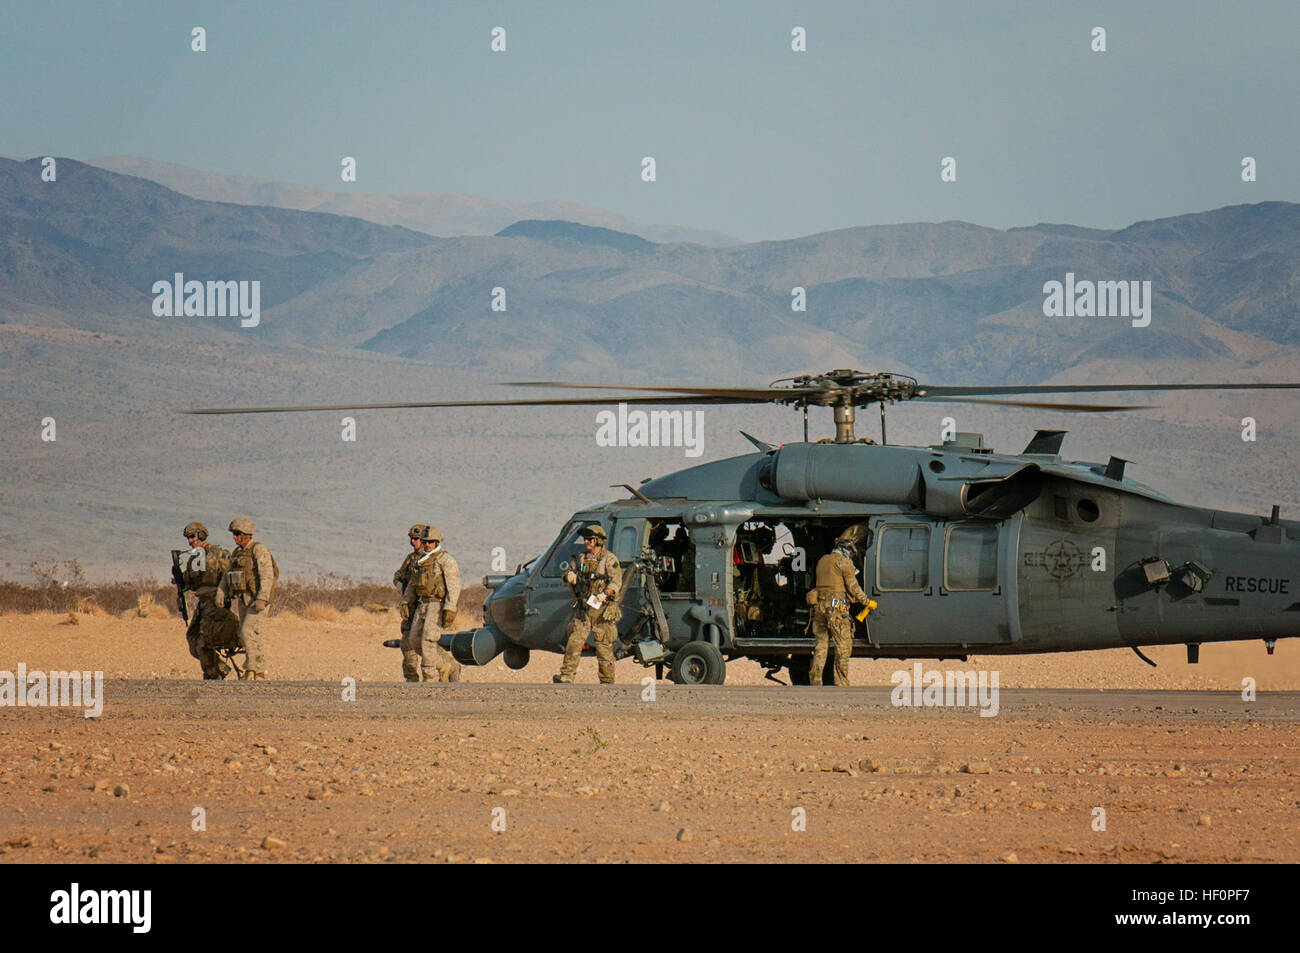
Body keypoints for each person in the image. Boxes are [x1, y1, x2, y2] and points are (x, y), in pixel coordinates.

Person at [554, 525, 622, 684]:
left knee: (604, 647)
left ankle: (607, 682)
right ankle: (567, 676)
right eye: (585, 539)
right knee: (574, 643)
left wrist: (604, 595)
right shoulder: (581, 559)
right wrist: (569, 576)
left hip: (602, 611)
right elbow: (569, 574)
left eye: (589, 539)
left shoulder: (609, 559)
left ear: (598, 541)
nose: (586, 542)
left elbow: (616, 583)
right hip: (583, 608)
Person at [402, 525, 463, 682]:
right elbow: (412, 585)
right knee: (414, 640)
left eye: (430, 542)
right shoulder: (420, 561)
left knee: (428, 640)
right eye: (425, 541)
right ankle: (444, 665)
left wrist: (450, 608)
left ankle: (430, 679)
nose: (427, 544)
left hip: (437, 604)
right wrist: (405, 602)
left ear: (437, 542)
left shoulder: (445, 560)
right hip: (422, 604)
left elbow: (454, 586)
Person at [810, 540, 869, 686]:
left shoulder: (822, 560)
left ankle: (816, 680)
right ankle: (841, 681)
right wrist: (866, 601)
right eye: (850, 553)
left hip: (819, 606)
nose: (851, 556)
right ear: (845, 550)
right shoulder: (843, 562)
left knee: (821, 645)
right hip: (837, 606)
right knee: (843, 645)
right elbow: (853, 587)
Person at [225, 517, 277, 681]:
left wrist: (262, 598)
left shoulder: (258, 550)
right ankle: (257, 672)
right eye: (234, 533)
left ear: (246, 534)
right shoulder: (237, 553)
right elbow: (227, 575)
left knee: (247, 631)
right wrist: (221, 592)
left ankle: (252, 668)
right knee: (254, 634)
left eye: (237, 534)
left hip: (257, 600)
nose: (234, 537)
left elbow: (267, 575)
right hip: (243, 599)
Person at [176, 521, 231, 679]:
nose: (190, 541)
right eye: (188, 538)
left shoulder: (217, 554)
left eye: (192, 537)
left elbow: (228, 576)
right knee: (193, 640)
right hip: (202, 602)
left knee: (204, 641)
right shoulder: (195, 557)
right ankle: (219, 667)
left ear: (201, 535)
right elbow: (189, 581)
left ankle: (213, 674)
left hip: (215, 602)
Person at [393, 523, 427, 682]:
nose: (413, 542)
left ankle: (445, 669)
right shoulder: (411, 559)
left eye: (416, 539)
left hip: (425, 608)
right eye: (411, 539)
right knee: (407, 643)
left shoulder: (431, 558)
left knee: (425, 644)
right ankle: (411, 679)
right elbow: (398, 576)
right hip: (410, 607)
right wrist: (403, 591)